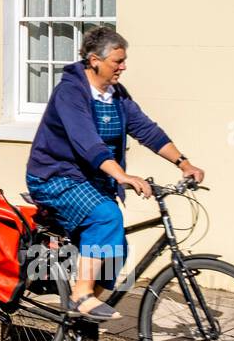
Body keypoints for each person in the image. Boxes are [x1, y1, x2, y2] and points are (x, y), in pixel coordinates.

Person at [24, 26, 204, 321]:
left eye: (124, 61)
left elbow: (147, 130)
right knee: (107, 217)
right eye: (117, 61)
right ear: (95, 60)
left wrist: (183, 163)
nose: (123, 67)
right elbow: (87, 142)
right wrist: (122, 176)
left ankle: (84, 320)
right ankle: (81, 295)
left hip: (92, 178)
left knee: (117, 247)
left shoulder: (116, 95)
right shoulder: (71, 92)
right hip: (55, 176)